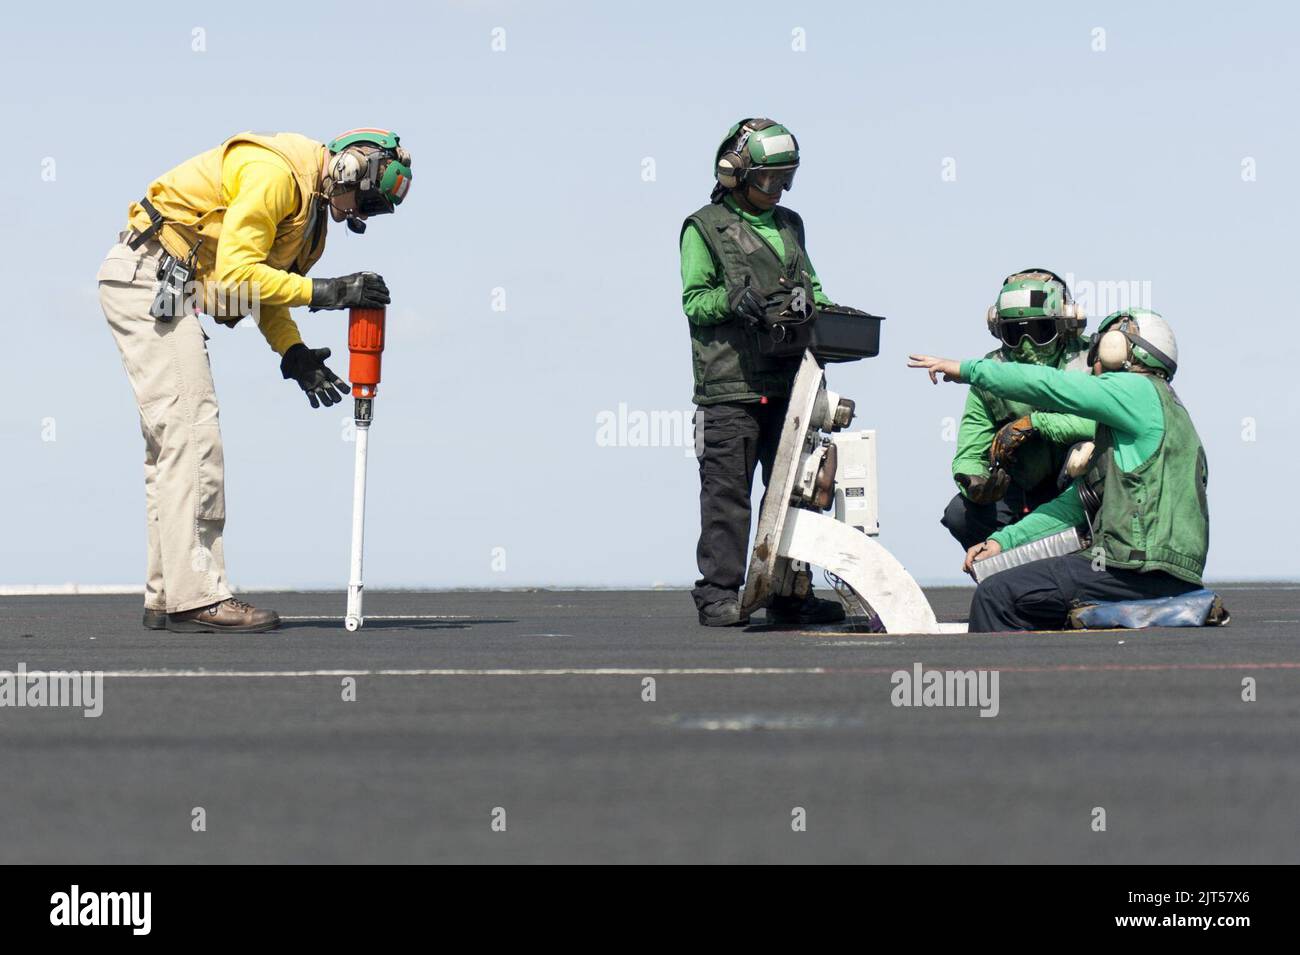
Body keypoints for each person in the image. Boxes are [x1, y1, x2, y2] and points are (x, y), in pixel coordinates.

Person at [98, 129, 411, 633]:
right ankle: (196, 597)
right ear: (351, 168)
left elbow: (264, 288)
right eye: (364, 201)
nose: (358, 213)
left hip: (163, 283)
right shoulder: (276, 177)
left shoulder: (311, 207)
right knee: (191, 434)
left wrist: (294, 352)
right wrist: (329, 291)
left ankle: (168, 594)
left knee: (170, 445)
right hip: (153, 279)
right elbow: (240, 275)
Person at [909, 308, 1209, 632]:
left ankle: (1000, 681)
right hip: (1174, 574)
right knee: (1035, 603)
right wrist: (1001, 543)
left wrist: (969, 370)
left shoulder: (1134, 393)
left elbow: (1050, 385)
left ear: (1116, 349)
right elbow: (1075, 505)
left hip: (1131, 569)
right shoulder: (1166, 410)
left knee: (994, 594)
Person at [682, 117, 846, 627]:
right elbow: (694, 302)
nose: (777, 190)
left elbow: (812, 288)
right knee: (728, 495)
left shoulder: (790, 224)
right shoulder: (703, 227)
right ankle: (717, 595)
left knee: (797, 490)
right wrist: (732, 300)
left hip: (790, 385)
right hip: (731, 388)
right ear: (735, 173)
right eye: (767, 180)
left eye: (785, 179)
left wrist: (837, 316)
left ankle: (790, 593)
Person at [942, 269, 1095, 551]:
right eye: (1014, 333)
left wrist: (1035, 423)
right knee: (960, 515)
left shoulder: (1091, 362)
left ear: (1065, 324)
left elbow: (1107, 426)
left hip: (1082, 485)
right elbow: (969, 450)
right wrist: (976, 483)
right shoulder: (989, 376)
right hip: (1022, 488)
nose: (1026, 344)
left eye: (1038, 331)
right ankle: (1003, 572)